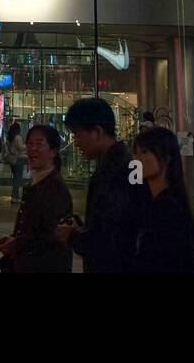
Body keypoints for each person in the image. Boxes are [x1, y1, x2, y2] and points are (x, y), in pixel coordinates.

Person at [55, 97, 147, 272]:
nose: (76, 142)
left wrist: (73, 236)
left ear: (97, 132)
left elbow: (111, 237)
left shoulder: (113, 171)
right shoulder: (125, 164)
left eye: (78, 134)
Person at [0, 125, 72, 273]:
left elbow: (52, 235)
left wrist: (17, 243)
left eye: (39, 144)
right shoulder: (34, 182)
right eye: (30, 143)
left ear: (53, 151)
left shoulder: (55, 188)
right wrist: (15, 239)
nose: (32, 149)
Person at [131, 127, 194, 273]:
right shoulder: (151, 202)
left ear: (167, 157)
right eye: (135, 153)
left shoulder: (168, 208)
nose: (137, 159)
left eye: (145, 152)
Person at [5, 121, 27, 203]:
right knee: (17, 179)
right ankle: (15, 196)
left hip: (12, 160)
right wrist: (27, 145)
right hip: (18, 159)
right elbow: (21, 148)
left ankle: (15, 196)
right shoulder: (17, 137)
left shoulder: (10, 137)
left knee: (15, 178)